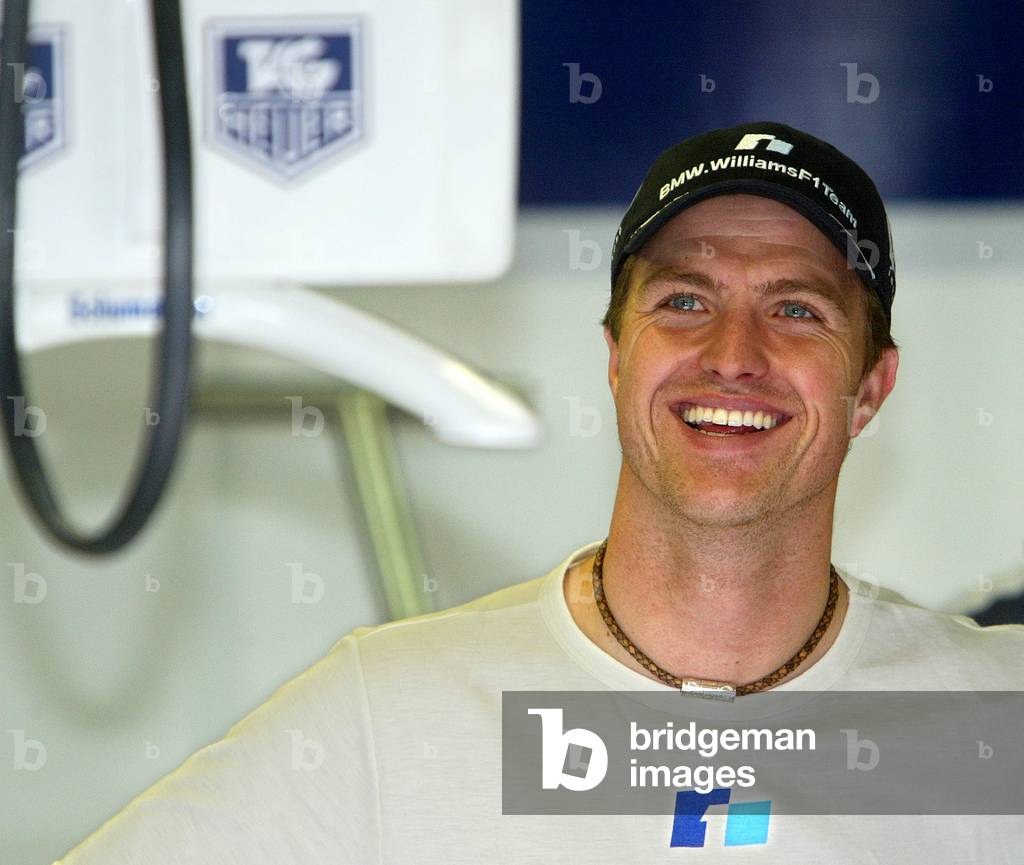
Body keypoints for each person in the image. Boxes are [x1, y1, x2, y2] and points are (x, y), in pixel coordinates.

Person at [54, 121, 1023, 864]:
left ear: (870, 387)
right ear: (615, 357)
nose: (733, 355)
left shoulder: (989, 717)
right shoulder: (389, 708)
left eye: (796, 309)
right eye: (683, 300)